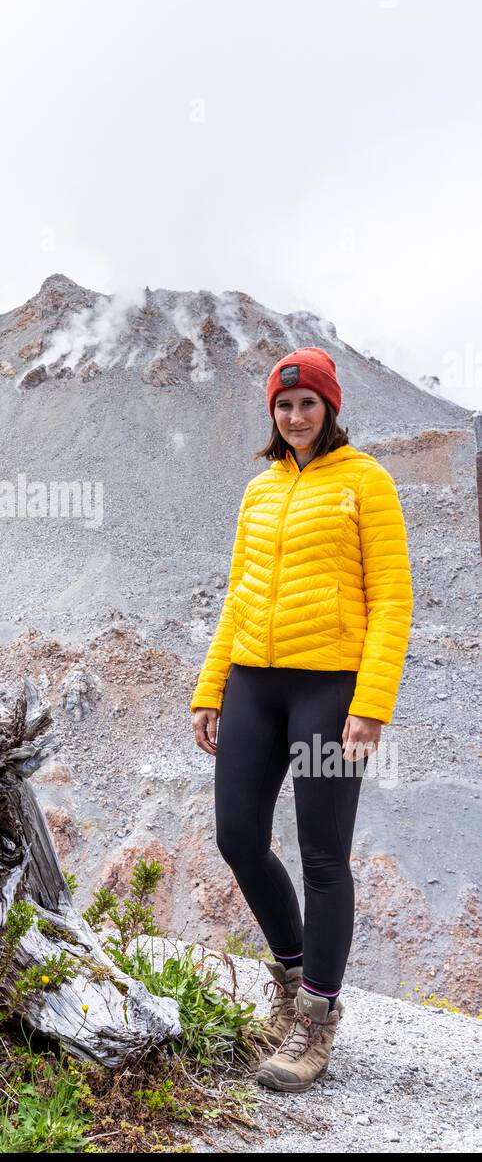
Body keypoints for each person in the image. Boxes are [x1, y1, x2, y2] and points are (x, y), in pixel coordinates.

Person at [190, 346, 413, 1093]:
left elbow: (392, 600)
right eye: (283, 406)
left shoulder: (367, 482)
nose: (294, 416)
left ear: (331, 406)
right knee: (238, 837)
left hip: (328, 692)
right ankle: (290, 980)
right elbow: (237, 594)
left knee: (322, 854)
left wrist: (370, 706)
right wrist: (210, 686)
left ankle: (315, 1022)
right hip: (254, 683)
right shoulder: (259, 489)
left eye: (307, 403)